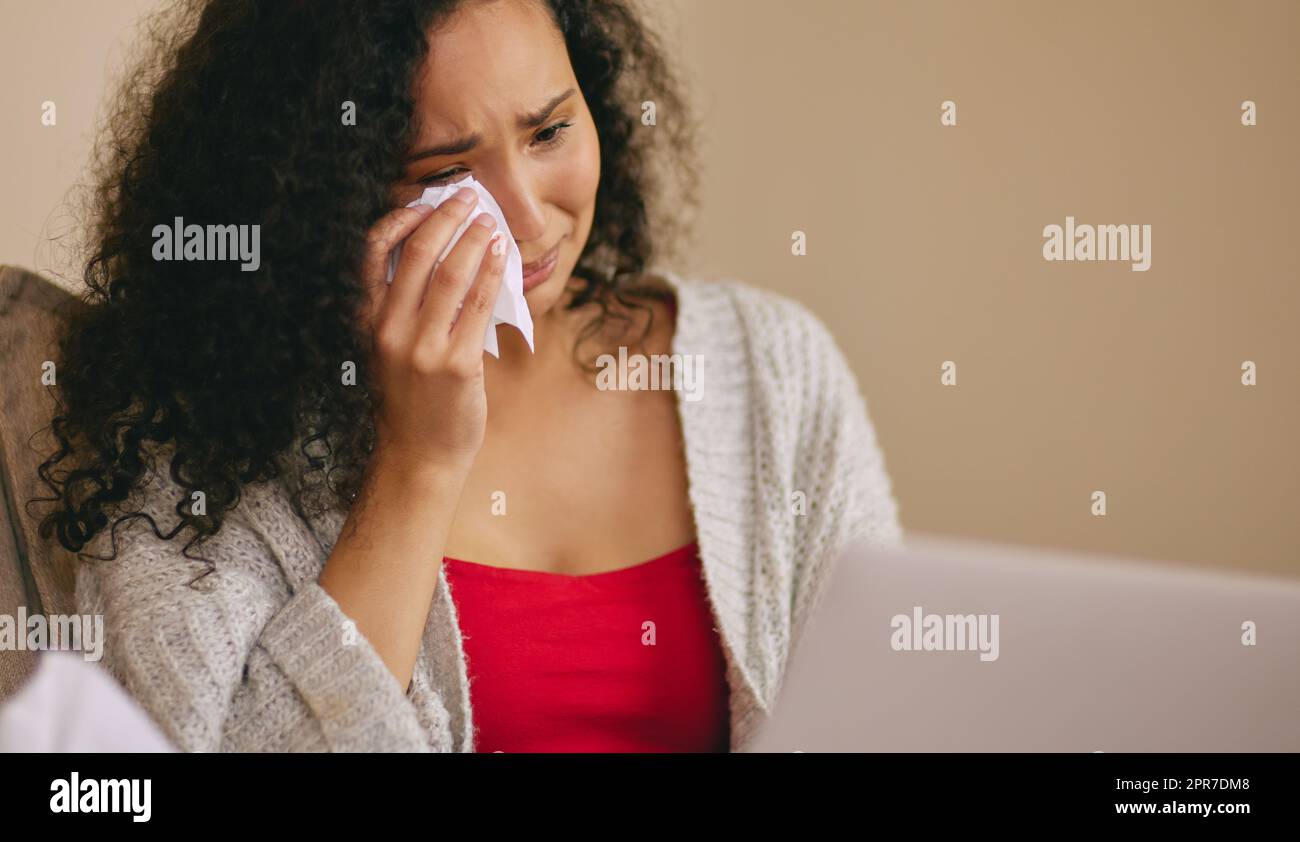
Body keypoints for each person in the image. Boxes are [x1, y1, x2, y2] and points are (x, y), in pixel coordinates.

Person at [31, 0, 903, 752]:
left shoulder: (771, 371)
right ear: (318, 200)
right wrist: (418, 463)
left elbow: (886, 720)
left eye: (550, 130)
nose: (526, 216)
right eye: (447, 174)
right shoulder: (204, 450)